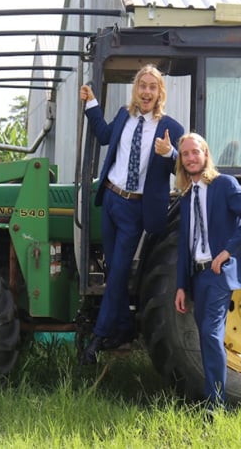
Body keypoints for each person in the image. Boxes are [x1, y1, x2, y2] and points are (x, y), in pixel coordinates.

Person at [79, 64, 185, 365]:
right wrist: (91, 103)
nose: (147, 91)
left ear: (160, 93)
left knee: (120, 272)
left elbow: (187, 166)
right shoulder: (125, 117)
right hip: (111, 199)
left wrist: (170, 153)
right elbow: (103, 135)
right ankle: (123, 331)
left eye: (153, 87)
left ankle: (98, 338)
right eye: (142, 86)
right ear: (135, 90)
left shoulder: (171, 129)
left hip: (135, 209)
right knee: (114, 269)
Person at [173, 132, 241, 409]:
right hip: (197, 275)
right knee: (206, 335)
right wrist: (180, 285)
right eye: (185, 154)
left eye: (195, 152)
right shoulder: (187, 196)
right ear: (181, 161)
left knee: (211, 335)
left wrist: (227, 252)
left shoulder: (224, 184)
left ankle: (215, 405)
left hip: (217, 273)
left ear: (205, 154)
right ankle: (212, 397)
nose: (190, 158)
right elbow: (183, 245)